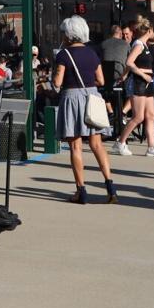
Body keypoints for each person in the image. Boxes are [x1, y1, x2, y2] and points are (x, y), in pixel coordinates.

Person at [52, 17, 117, 204]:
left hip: (72, 98)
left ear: (68, 34)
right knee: (97, 145)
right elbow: (102, 81)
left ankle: (81, 190)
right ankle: (110, 187)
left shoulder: (63, 55)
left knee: (75, 146)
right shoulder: (92, 53)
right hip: (92, 98)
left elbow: (57, 82)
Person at [112, 17, 154, 157]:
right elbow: (129, 62)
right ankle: (120, 142)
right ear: (149, 30)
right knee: (138, 117)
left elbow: (131, 65)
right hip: (139, 82)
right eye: (153, 30)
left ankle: (151, 146)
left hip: (147, 82)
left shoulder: (145, 44)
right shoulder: (139, 45)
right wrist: (143, 75)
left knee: (151, 115)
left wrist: (124, 76)